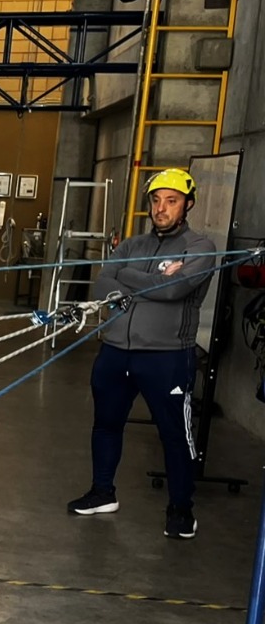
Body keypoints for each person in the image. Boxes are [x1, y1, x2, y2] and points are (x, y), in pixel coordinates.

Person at [68, 167, 217, 538]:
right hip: (116, 351)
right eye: (156, 200)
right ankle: (102, 492)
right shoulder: (131, 245)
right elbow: (103, 283)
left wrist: (128, 277)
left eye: (171, 201)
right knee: (106, 423)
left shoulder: (200, 248)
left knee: (174, 434)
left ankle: (181, 510)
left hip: (167, 356)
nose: (161, 208)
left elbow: (174, 290)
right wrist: (150, 280)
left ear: (188, 205)